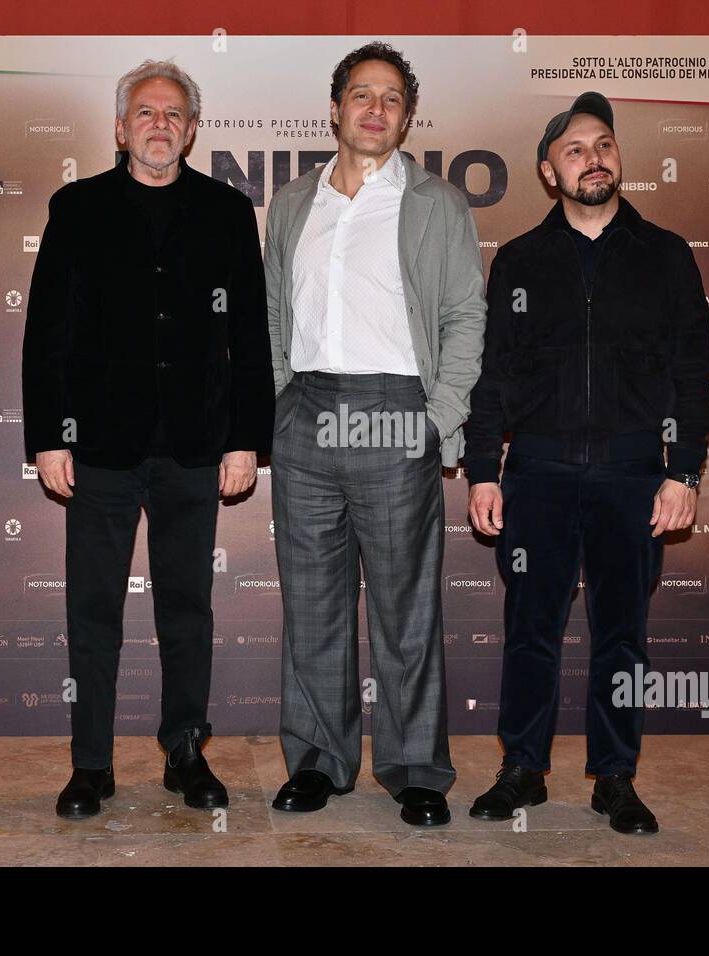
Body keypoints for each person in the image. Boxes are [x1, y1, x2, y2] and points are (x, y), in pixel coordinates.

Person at [21, 59, 275, 819]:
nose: (159, 124)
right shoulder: (78, 207)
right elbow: (49, 334)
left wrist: (244, 440)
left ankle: (185, 755)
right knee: (93, 610)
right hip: (98, 445)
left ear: (192, 130)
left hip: (195, 447)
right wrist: (49, 437)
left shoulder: (228, 213)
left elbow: (249, 335)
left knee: (187, 610)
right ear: (120, 128)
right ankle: (90, 767)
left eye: (173, 114)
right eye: (145, 112)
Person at [463, 92, 709, 834]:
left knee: (622, 632)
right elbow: (494, 375)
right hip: (536, 472)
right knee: (530, 627)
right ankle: (522, 768)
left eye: (602, 144)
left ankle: (614, 776)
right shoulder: (519, 260)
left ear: (619, 158)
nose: (592, 157)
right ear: (549, 171)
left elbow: (691, 372)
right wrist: (483, 468)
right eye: (574, 149)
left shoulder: (665, 256)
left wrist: (685, 470)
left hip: (635, 474)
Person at [263, 42, 487, 827]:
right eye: (362, 94)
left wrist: (436, 421)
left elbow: (464, 316)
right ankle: (319, 761)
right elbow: (273, 318)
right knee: (313, 606)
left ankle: (416, 766)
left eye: (392, 98)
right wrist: (281, 407)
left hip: (398, 412)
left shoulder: (437, 203)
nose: (375, 109)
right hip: (305, 415)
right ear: (335, 108)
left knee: (405, 607)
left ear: (407, 116)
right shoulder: (292, 203)